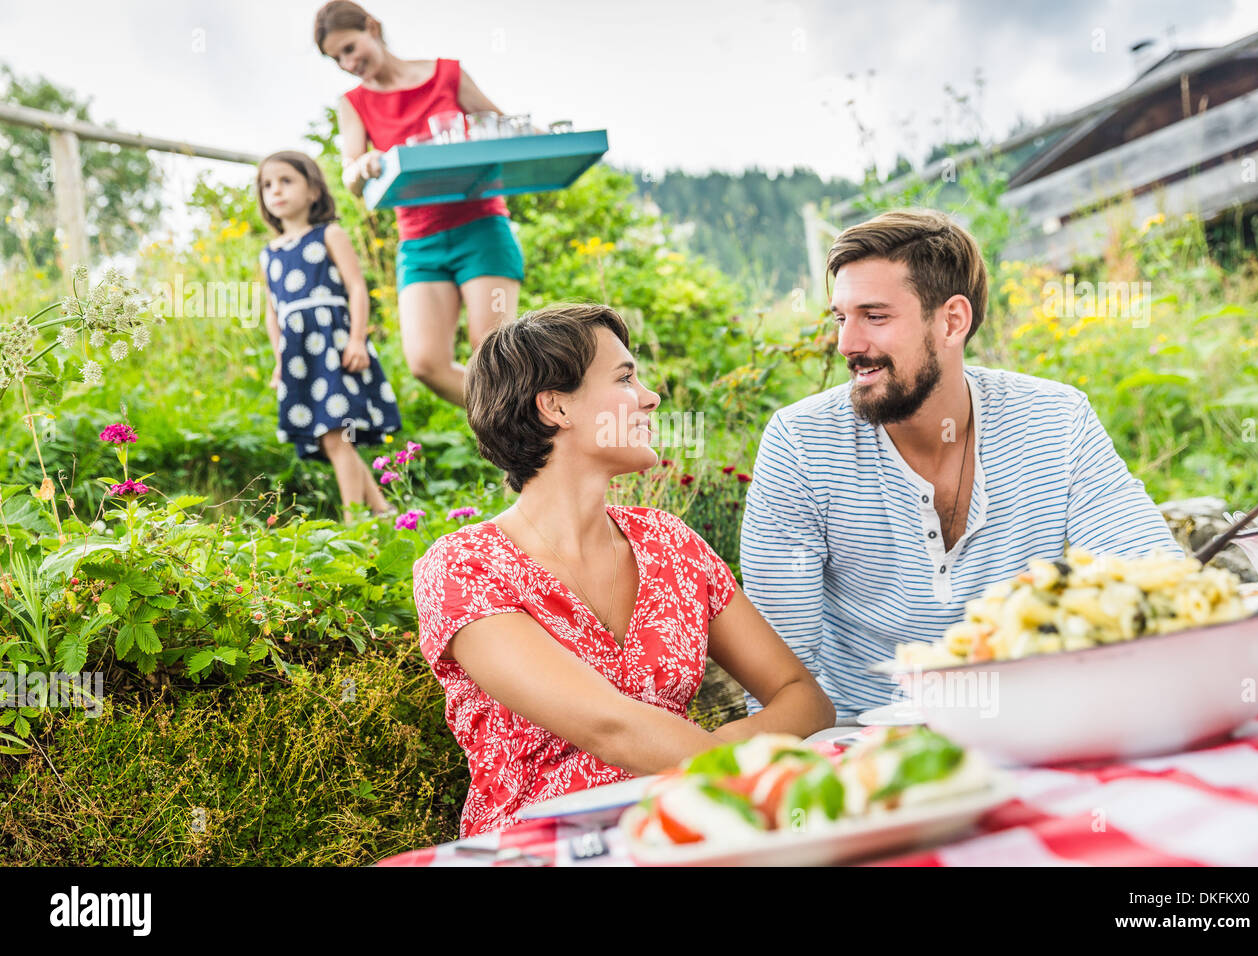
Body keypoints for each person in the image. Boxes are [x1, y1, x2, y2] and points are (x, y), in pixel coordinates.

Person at [412, 304, 836, 837]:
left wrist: (711, 761)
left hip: (689, 830)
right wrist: (742, 779)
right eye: (625, 377)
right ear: (555, 407)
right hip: (543, 851)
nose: (651, 397)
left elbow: (804, 697)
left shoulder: (671, 543)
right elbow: (611, 729)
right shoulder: (465, 570)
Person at [739, 208, 1178, 721]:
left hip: (1033, 730)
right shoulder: (800, 444)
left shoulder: (1055, 420)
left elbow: (1151, 575)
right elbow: (779, 678)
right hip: (867, 753)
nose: (847, 344)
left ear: (952, 321)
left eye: (874, 317)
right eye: (841, 318)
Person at [315, 1, 525, 409]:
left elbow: (500, 126)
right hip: (420, 242)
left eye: (350, 48)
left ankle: (522, 441)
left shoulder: (447, 74)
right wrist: (360, 167)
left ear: (372, 27)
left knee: (494, 356)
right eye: (336, 58)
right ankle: (517, 423)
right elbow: (350, 175)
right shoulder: (354, 103)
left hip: (480, 228)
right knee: (426, 363)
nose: (347, 62)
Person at [256, 150, 400, 523]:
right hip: (300, 355)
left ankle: (355, 523)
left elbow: (355, 286)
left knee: (339, 434)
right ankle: (382, 511)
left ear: (314, 190)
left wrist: (356, 340)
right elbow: (273, 313)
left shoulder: (329, 234)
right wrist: (280, 363)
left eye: (287, 181)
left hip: (334, 347)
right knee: (331, 437)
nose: (276, 191)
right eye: (268, 185)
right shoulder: (268, 254)